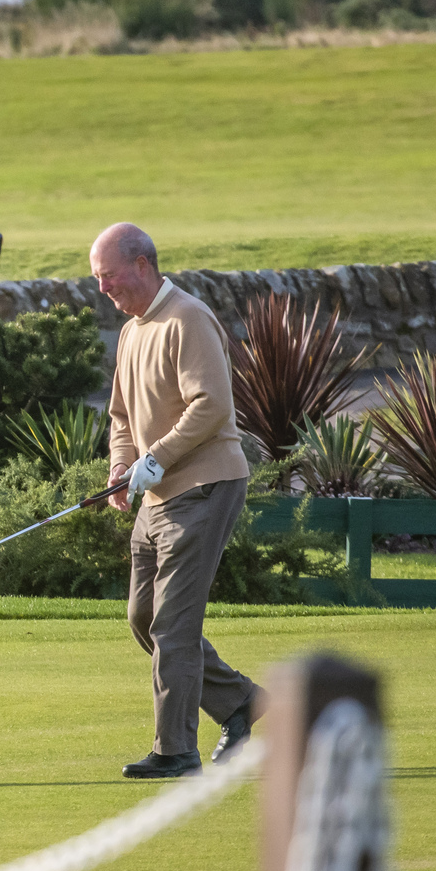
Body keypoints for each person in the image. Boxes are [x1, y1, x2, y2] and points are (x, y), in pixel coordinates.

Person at [91, 222, 262, 779]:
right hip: (156, 494)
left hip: (205, 485)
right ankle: (241, 702)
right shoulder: (131, 332)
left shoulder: (186, 317)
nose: (103, 289)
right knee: (144, 617)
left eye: (109, 276)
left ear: (143, 264)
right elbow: (120, 417)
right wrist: (122, 467)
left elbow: (210, 404)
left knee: (173, 623)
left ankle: (175, 751)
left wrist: (155, 458)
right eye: (97, 279)